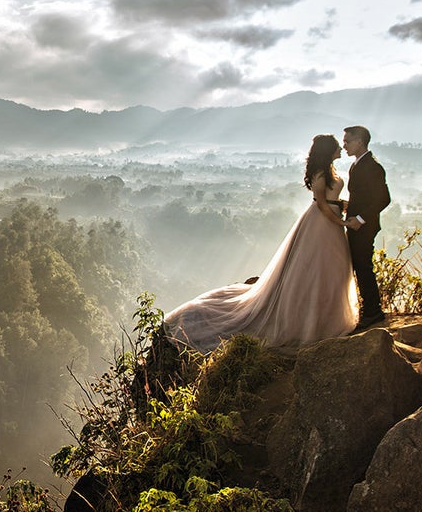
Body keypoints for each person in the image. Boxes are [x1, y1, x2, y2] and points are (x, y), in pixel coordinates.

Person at [163, 134, 359, 353]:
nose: (341, 148)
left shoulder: (329, 170)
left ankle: (325, 316)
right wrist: (340, 221)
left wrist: (340, 205)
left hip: (329, 221)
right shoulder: (321, 173)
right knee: (318, 269)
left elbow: (329, 200)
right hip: (323, 223)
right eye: (337, 147)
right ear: (328, 150)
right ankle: (313, 321)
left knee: (333, 268)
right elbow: (321, 204)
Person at [342, 125, 391, 330]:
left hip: (364, 226)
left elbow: (384, 199)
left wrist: (360, 219)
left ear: (360, 141)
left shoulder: (372, 166)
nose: (344, 145)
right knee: (359, 266)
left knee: (363, 268)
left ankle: (373, 312)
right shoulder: (356, 164)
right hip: (355, 224)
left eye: (347, 141)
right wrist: (348, 206)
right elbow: (361, 196)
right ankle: (369, 310)